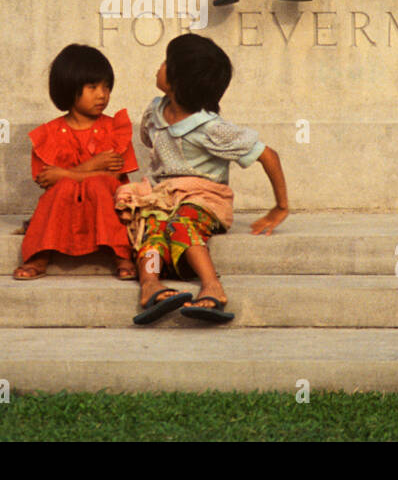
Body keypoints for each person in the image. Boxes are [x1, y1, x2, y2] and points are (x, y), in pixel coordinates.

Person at [119, 33, 290, 326]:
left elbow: (269, 155)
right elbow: (148, 139)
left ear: (175, 83)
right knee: (151, 227)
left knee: (182, 222)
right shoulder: (155, 111)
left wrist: (280, 207)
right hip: (164, 195)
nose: (159, 67)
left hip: (203, 197)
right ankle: (150, 283)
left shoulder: (212, 128)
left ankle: (212, 285)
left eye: (165, 63)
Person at [15, 44, 139, 281]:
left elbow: (111, 178)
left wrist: (66, 173)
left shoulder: (115, 129)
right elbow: (46, 179)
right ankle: (40, 254)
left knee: (97, 185)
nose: (102, 94)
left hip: (106, 200)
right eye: (92, 87)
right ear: (69, 89)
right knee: (63, 189)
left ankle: (121, 253)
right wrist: (92, 166)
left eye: (106, 87)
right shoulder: (49, 134)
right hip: (67, 202)